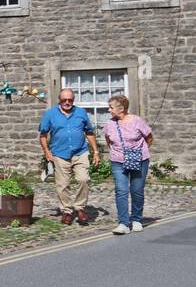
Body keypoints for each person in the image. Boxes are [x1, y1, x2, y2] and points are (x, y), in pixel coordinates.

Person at [38, 88, 100, 225]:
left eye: (70, 100)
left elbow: (89, 133)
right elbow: (43, 135)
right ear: (59, 100)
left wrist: (96, 151)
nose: (67, 102)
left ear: (73, 100)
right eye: (64, 100)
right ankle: (66, 211)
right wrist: (47, 152)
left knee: (83, 179)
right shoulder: (50, 114)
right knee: (63, 184)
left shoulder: (81, 113)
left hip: (80, 152)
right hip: (59, 154)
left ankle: (80, 208)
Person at [102, 94, 153, 235]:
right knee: (121, 190)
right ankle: (123, 223)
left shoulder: (137, 121)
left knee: (137, 190)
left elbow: (149, 137)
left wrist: (140, 153)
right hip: (118, 160)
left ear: (122, 108)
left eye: (111, 108)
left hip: (139, 159)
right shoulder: (109, 124)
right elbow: (108, 140)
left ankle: (136, 219)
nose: (109, 110)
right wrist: (117, 152)